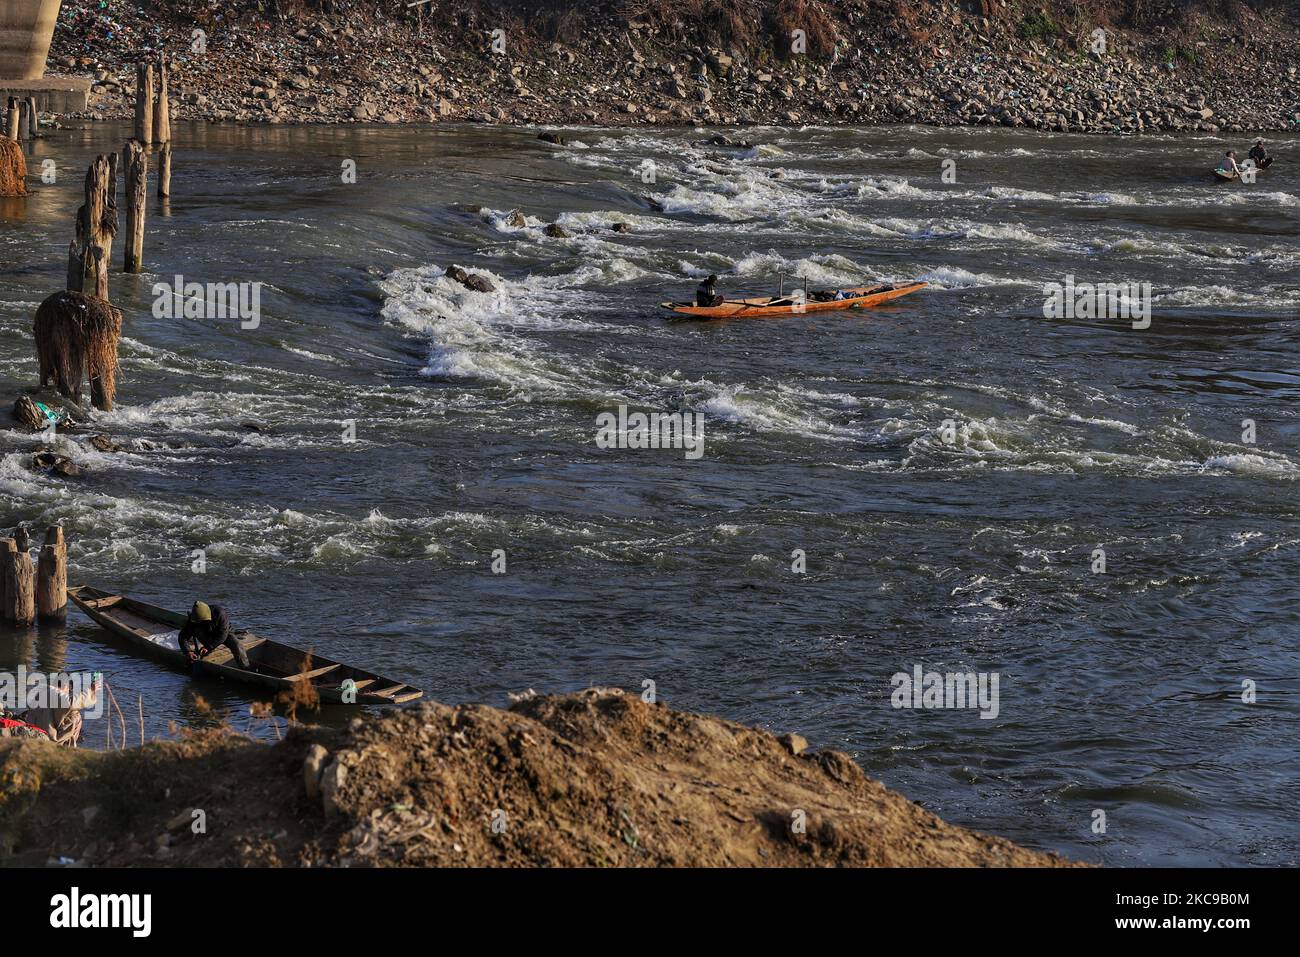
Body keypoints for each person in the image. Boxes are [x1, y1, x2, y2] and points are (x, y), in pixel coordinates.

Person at [179, 601, 250, 669]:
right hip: (206, 633)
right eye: (198, 621)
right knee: (200, 653)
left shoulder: (220, 613)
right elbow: (183, 636)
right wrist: (188, 651)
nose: (200, 622)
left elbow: (223, 635)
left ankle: (245, 668)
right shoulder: (193, 619)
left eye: (202, 621)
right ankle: (198, 659)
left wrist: (208, 646)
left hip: (224, 633)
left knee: (237, 645)